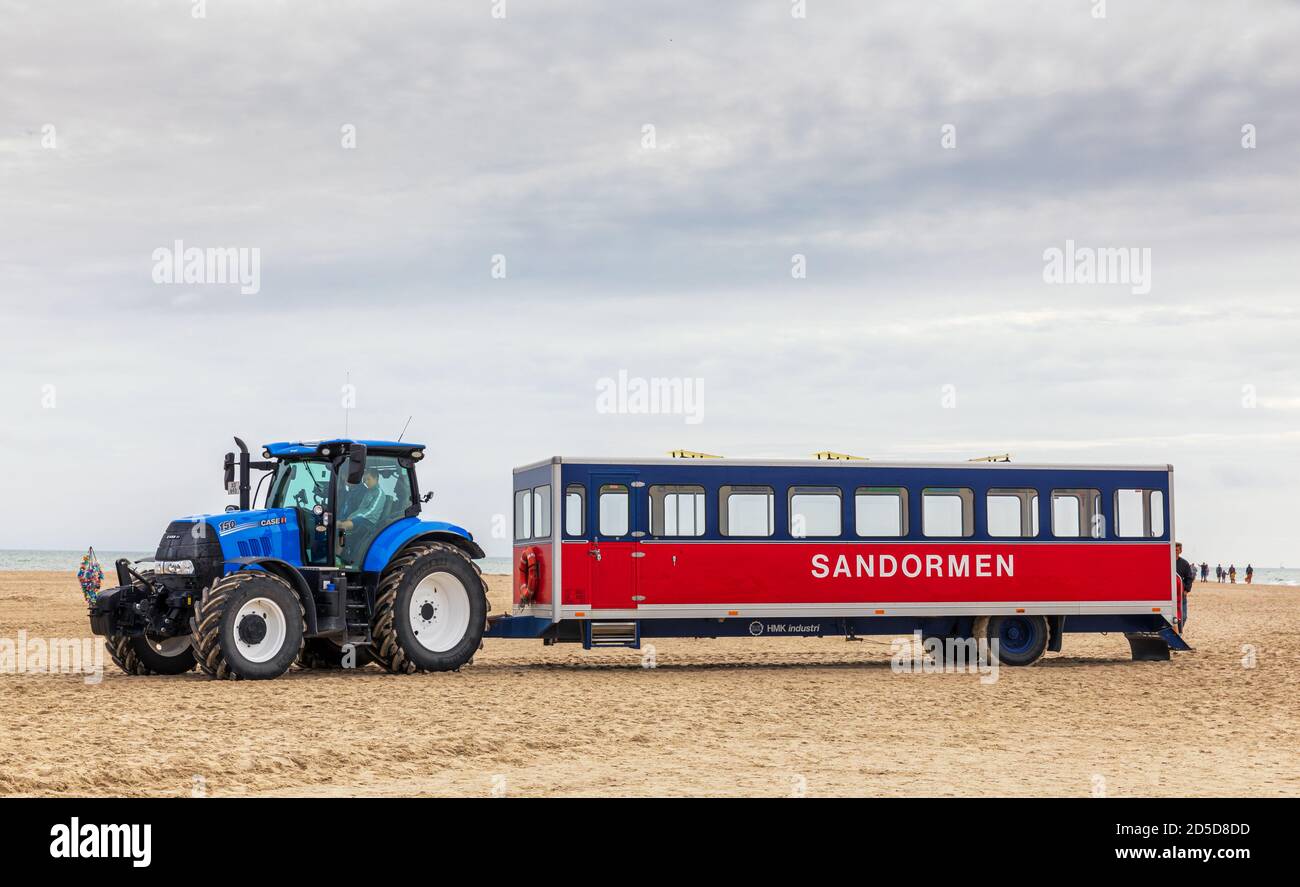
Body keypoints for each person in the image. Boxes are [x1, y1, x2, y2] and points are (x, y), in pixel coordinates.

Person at [1175, 543, 1195, 629]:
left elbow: (1189, 578)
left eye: (1176, 550)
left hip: (1181, 594)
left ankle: (1178, 633)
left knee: (1183, 617)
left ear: (1180, 551)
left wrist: (1186, 590)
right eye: (1173, 549)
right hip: (1168, 594)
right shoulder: (1166, 561)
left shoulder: (1184, 563)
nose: (1174, 552)